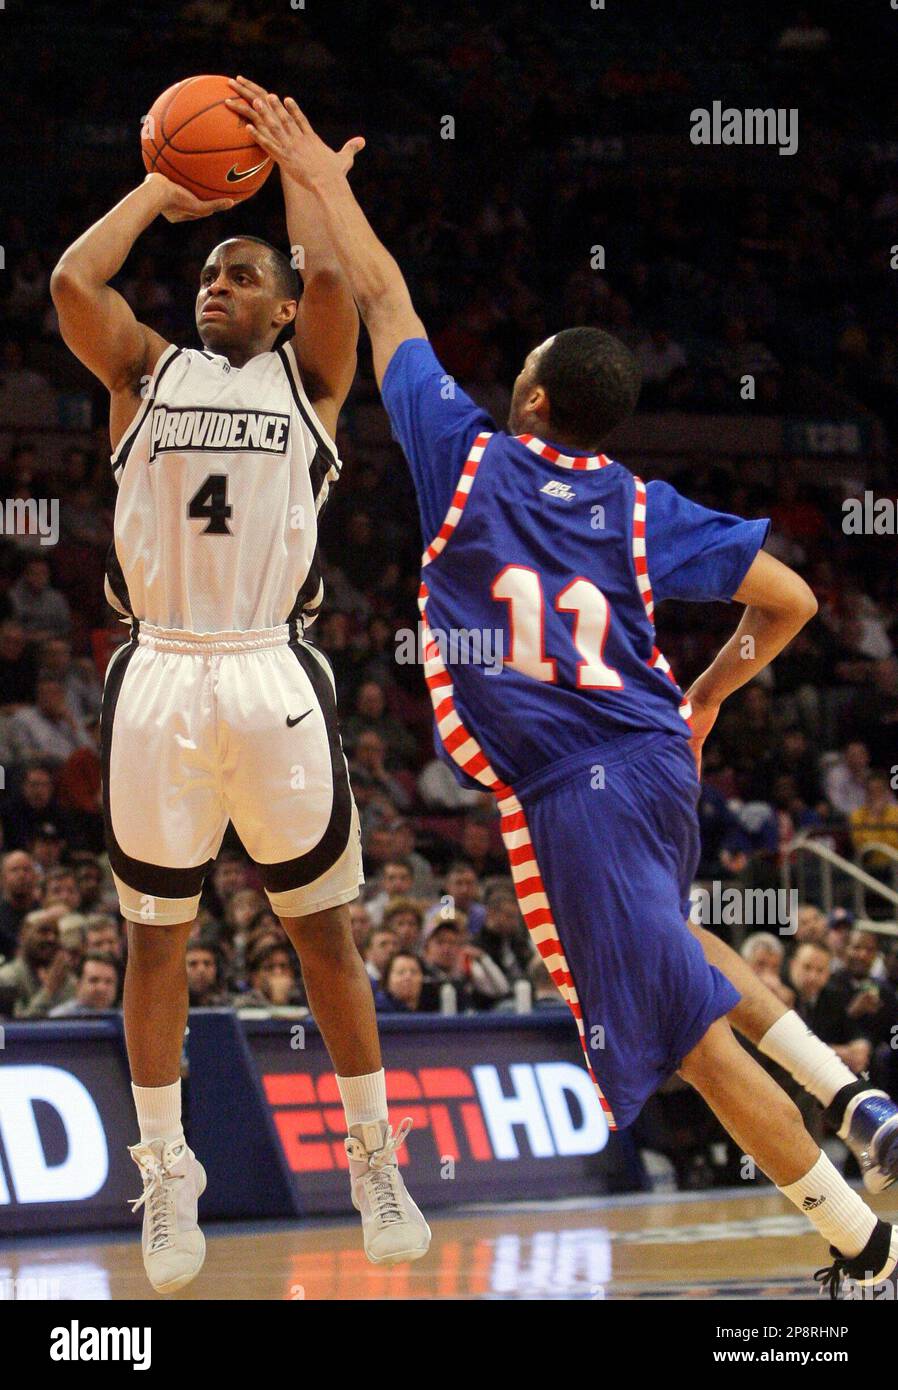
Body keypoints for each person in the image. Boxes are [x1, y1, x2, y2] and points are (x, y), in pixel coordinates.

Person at [265, 93, 898, 1291]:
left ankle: (860, 1248)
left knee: (694, 1045)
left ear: (538, 401)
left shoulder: (467, 458)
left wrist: (317, 178)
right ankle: (855, 1098)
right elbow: (795, 602)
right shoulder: (643, 506)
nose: (509, 370)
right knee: (687, 951)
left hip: (580, 791)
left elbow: (386, 293)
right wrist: (707, 697)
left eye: (525, 366)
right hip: (656, 762)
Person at [49, 72, 429, 1294]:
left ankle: (375, 1156)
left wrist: (314, 186)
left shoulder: (307, 381)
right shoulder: (143, 372)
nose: (219, 285)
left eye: (241, 276)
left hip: (270, 670)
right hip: (158, 671)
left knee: (320, 931)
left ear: (274, 311)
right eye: (209, 272)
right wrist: (159, 189)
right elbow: (71, 284)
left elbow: (334, 283)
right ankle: (167, 1171)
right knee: (155, 940)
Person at [48, 951, 120, 1017]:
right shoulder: (58, 1019)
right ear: (78, 984)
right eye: (94, 980)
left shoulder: (124, 1019)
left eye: (108, 981)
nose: (102, 988)